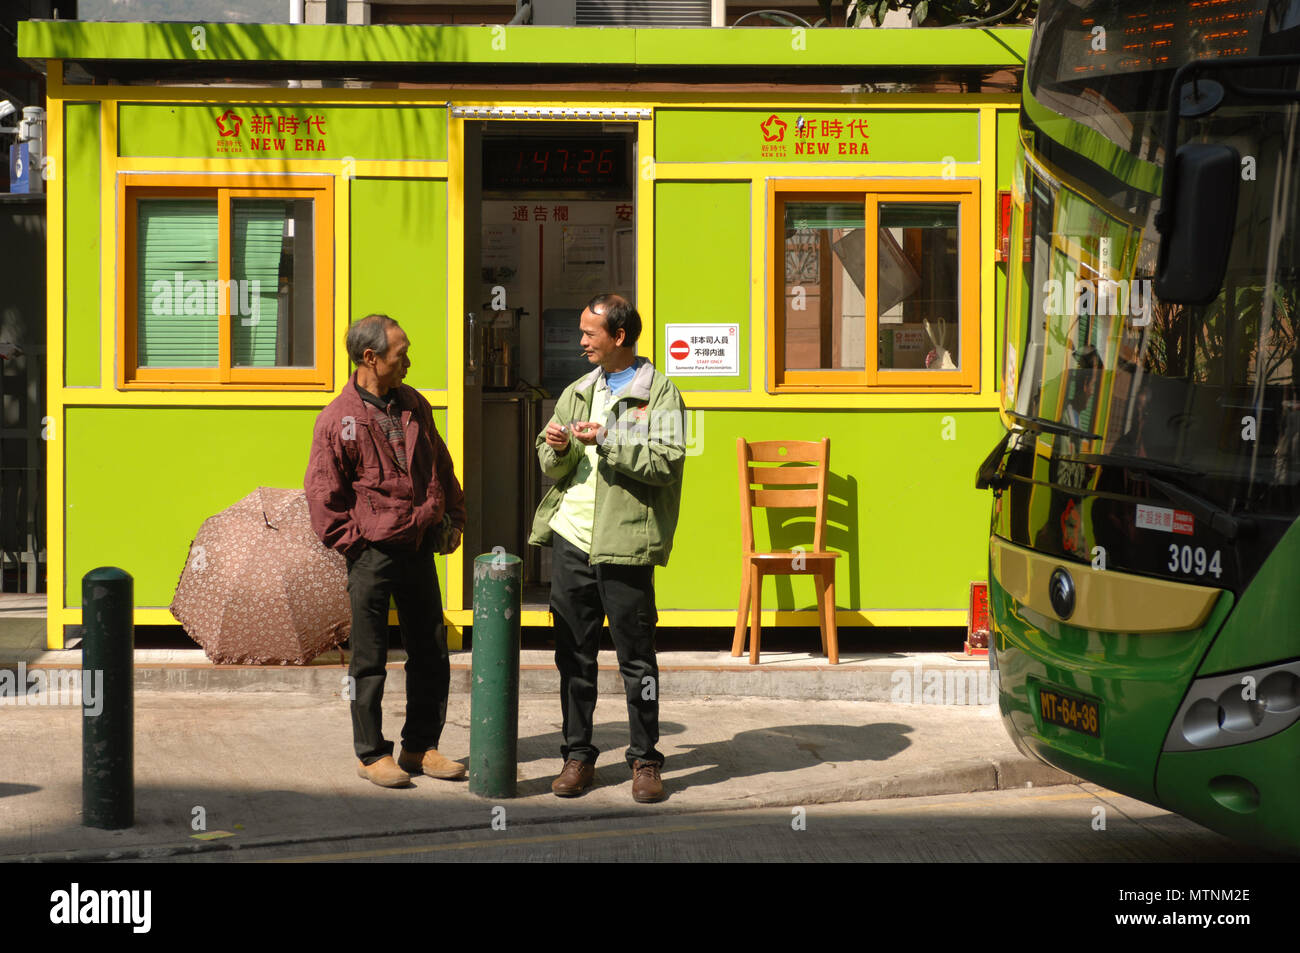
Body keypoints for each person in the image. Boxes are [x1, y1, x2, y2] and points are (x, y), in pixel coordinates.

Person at [529, 294, 686, 803]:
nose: (581, 342)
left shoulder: (659, 393)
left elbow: (666, 463)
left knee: (637, 661)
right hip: (572, 538)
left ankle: (645, 760)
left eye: (589, 334)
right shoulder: (576, 391)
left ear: (619, 336)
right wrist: (555, 447)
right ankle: (577, 755)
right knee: (573, 657)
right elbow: (552, 465)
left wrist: (607, 439)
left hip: (625, 545)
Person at [305, 314, 467, 788]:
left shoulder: (413, 403)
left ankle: (420, 746)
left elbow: (440, 462)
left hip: (418, 546)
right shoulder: (338, 420)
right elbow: (323, 496)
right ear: (369, 358)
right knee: (369, 660)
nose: (408, 363)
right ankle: (372, 753)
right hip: (371, 554)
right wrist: (358, 546)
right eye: (401, 355)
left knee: (431, 654)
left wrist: (453, 516)